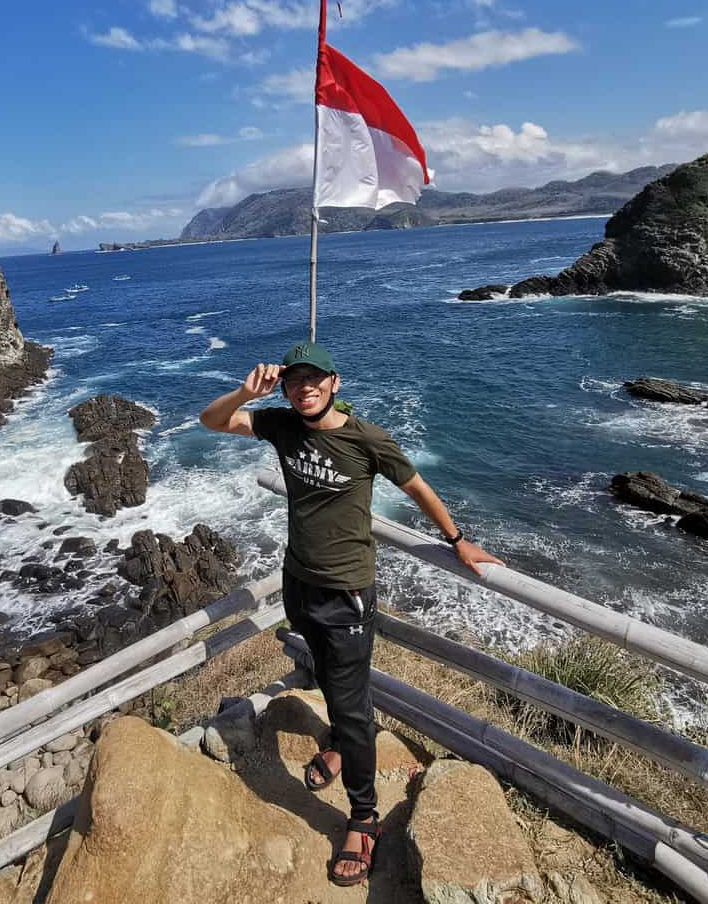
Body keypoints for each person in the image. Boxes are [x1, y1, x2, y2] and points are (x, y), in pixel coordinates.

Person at [199, 341, 503, 886]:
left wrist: (458, 540)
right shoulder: (281, 425)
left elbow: (416, 487)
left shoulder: (367, 439)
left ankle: (363, 818)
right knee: (333, 679)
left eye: (315, 379)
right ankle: (341, 743)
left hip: (347, 594)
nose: (305, 388)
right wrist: (247, 392)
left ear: (335, 383)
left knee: (350, 699)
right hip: (299, 582)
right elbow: (213, 421)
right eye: (295, 381)